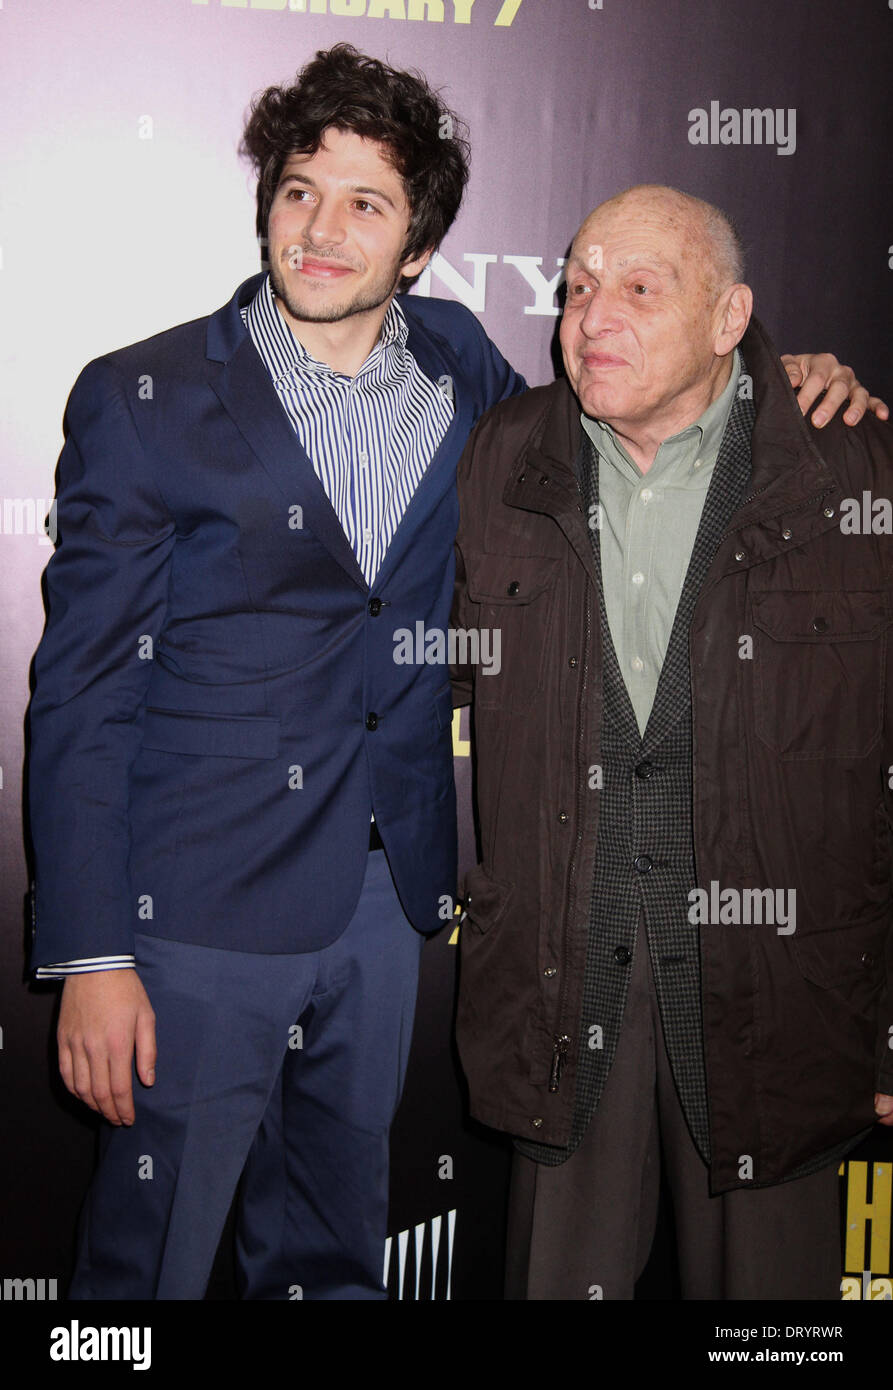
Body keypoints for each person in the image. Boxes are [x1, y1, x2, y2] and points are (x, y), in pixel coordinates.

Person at [27, 37, 878, 1299]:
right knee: (140, 1275)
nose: (320, 230)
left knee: (329, 1254)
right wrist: (94, 954)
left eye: (365, 203)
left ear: (417, 246)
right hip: (190, 922)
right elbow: (83, 690)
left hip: (384, 911)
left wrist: (785, 374)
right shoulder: (140, 395)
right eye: (299, 191)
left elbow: (657, 367)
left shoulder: (463, 373)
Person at [451, 184, 893, 1301]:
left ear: (729, 318)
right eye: (577, 289)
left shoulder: (855, 474)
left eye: (640, 290)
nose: (591, 318)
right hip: (559, 988)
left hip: (782, 1000)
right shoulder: (498, 460)